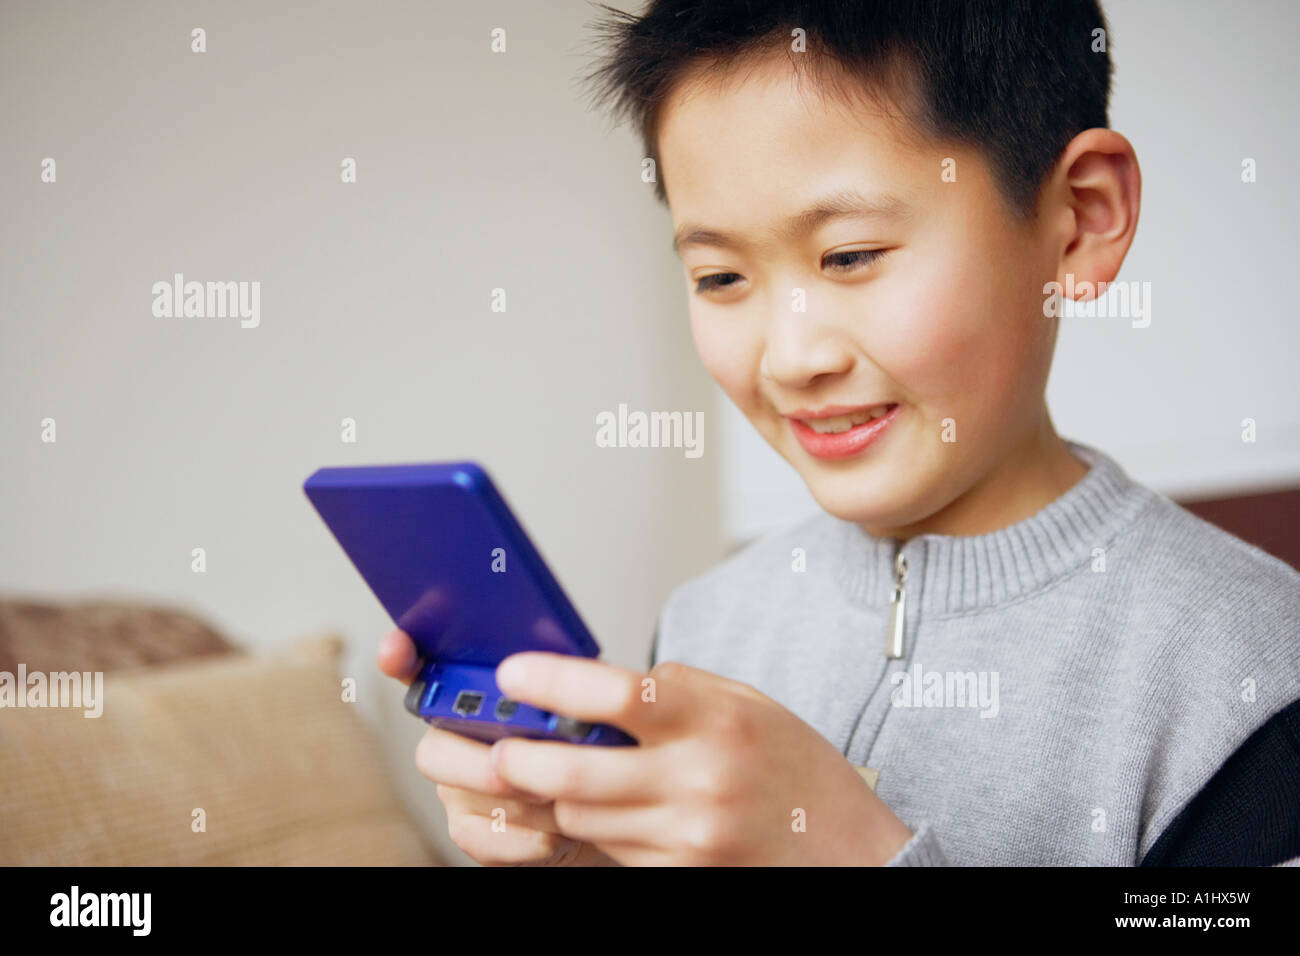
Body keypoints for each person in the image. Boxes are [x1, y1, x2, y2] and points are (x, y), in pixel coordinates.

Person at [380, 0, 1300, 865]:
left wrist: (859, 851)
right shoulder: (707, 624)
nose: (788, 358)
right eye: (720, 278)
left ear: (1081, 218)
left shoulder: (1255, 679)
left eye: (850, 255)